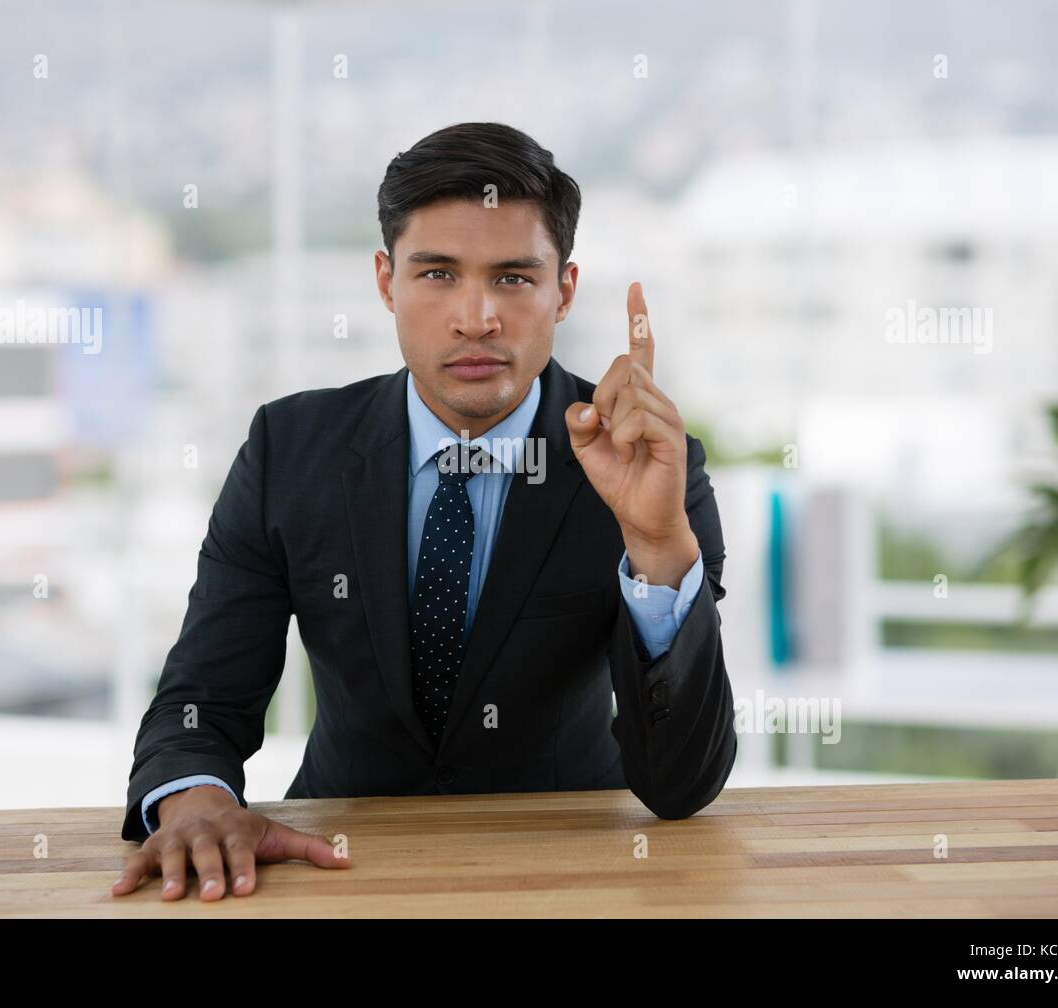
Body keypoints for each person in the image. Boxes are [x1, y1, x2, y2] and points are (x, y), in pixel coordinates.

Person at [113, 122, 736, 901]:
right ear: (385, 282)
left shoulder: (651, 467)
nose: (475, 317)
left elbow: (682, 785)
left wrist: (653, 542)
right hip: (340, 869)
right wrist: (199, 802)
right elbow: (202, 699)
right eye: (438, 274)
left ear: (564, 291)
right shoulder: (289, 447)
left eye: (513, 278)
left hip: (570, 877)